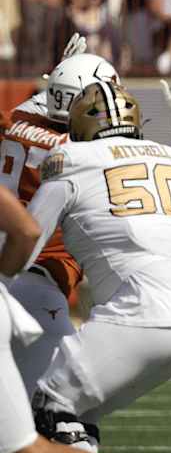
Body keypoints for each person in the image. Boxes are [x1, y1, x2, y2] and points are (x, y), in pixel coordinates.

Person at [25, 58, 171, 453]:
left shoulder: (70, 160)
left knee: (46, 410)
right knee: (75, 414)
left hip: (140, 312)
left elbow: (27, 239)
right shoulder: (167, 157)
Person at [3, 36, 116, 403]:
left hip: (9, 265)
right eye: (102, 98)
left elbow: (45, 107)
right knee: (62, 411)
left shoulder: (17, 119)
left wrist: (57, 83)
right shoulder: (79, 152)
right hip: (36, 276)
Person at [0, 186, 131, 453]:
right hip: (37, 285)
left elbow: (26, 230)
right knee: (42, 445)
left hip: (34, 284)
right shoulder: (70, 155)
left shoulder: (66, 159)